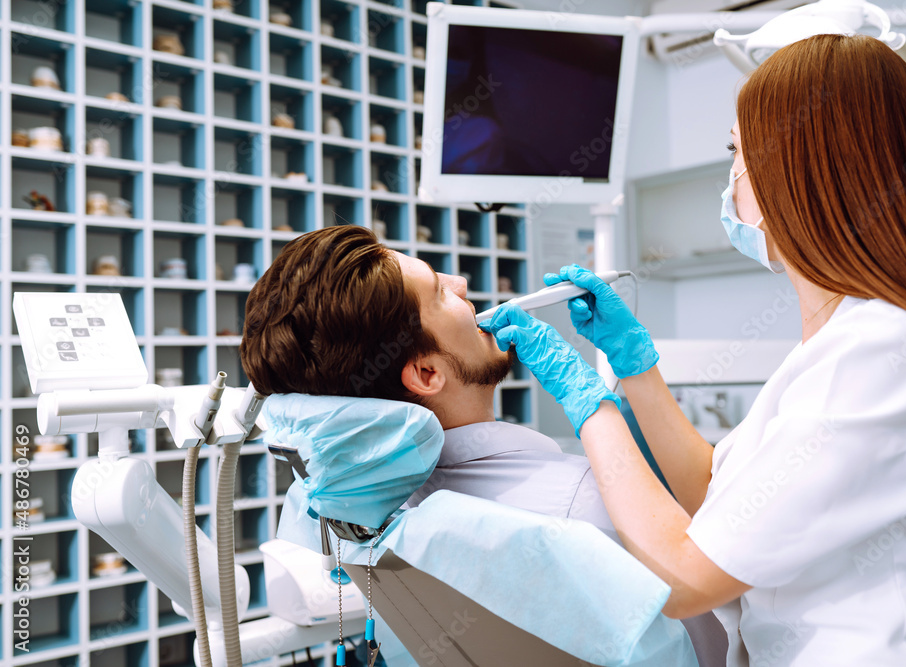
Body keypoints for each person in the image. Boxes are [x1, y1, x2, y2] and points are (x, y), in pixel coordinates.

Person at [481, 34, 906, 666]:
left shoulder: (880, 351)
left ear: (801, 171)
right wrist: (636, 372)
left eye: (737, 151)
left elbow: (688, 577)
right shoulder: (848, 343)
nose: (732, 180)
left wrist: (593, 409)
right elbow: (714, 492)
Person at [238, 225, 722, 666]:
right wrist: (597, 404)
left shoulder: (349, 515)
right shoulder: (581, 506)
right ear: (428, 373)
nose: (461, 284)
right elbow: (714, 641)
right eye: (437, 291)